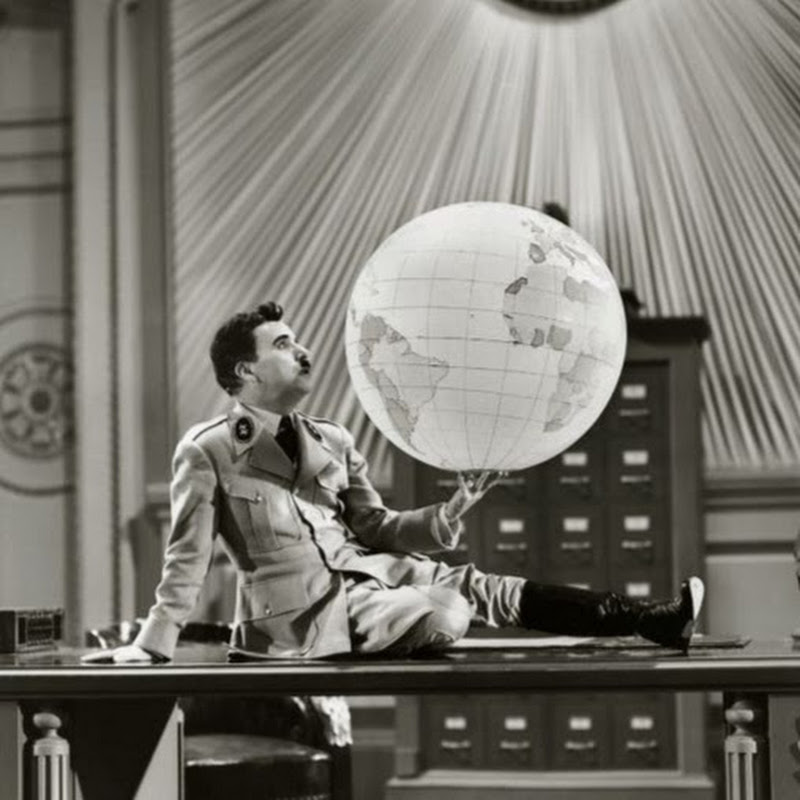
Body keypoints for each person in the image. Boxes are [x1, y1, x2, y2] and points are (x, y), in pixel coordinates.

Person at [94, 302, 704, 663]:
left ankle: (648, 619)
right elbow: (187, 559)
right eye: (283, 345)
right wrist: (152, 644)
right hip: (301, 617)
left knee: (485, 588)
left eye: (299, 341)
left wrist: (447, 512)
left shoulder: (332, 438)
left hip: (374, 577)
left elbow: (374, 527)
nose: (304, 352)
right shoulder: (209, 450)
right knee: (446, 609)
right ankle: (431, 608)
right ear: (245, 370)